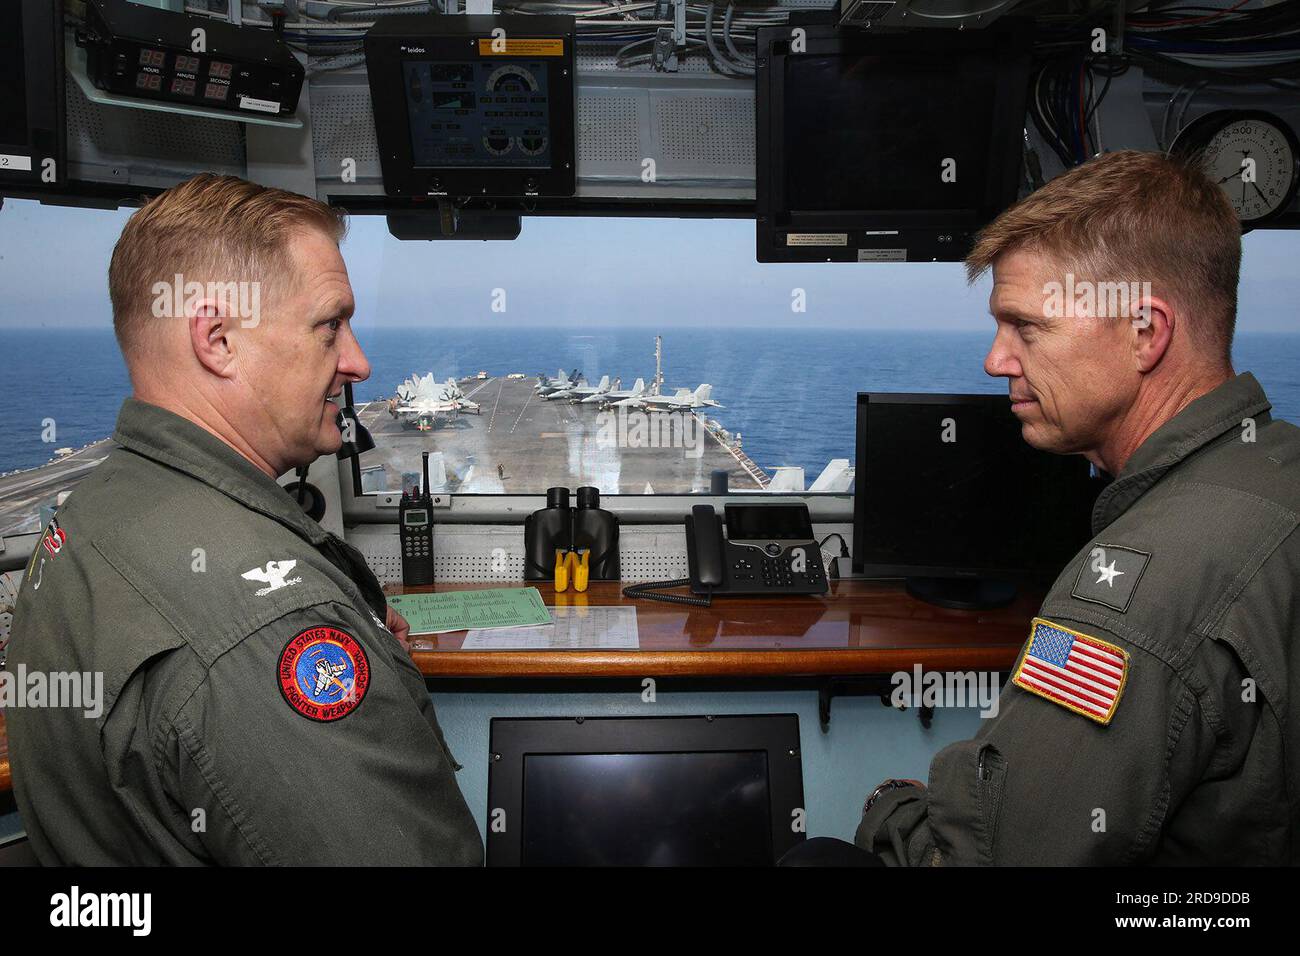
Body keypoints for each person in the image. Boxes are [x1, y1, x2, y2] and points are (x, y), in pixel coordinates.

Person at [7, 174, 483, 865]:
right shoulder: (271, 632)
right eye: (330, 326)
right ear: (219, 340)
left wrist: (364, 642)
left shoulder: (84, 519)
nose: (358, 361)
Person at [854, 150, 1300, 865]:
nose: (996, 361)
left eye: (1027, 327)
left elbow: (996, 857)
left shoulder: (1131, 593)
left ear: (1145, 334)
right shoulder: (1277, 472)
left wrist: (887, 810)